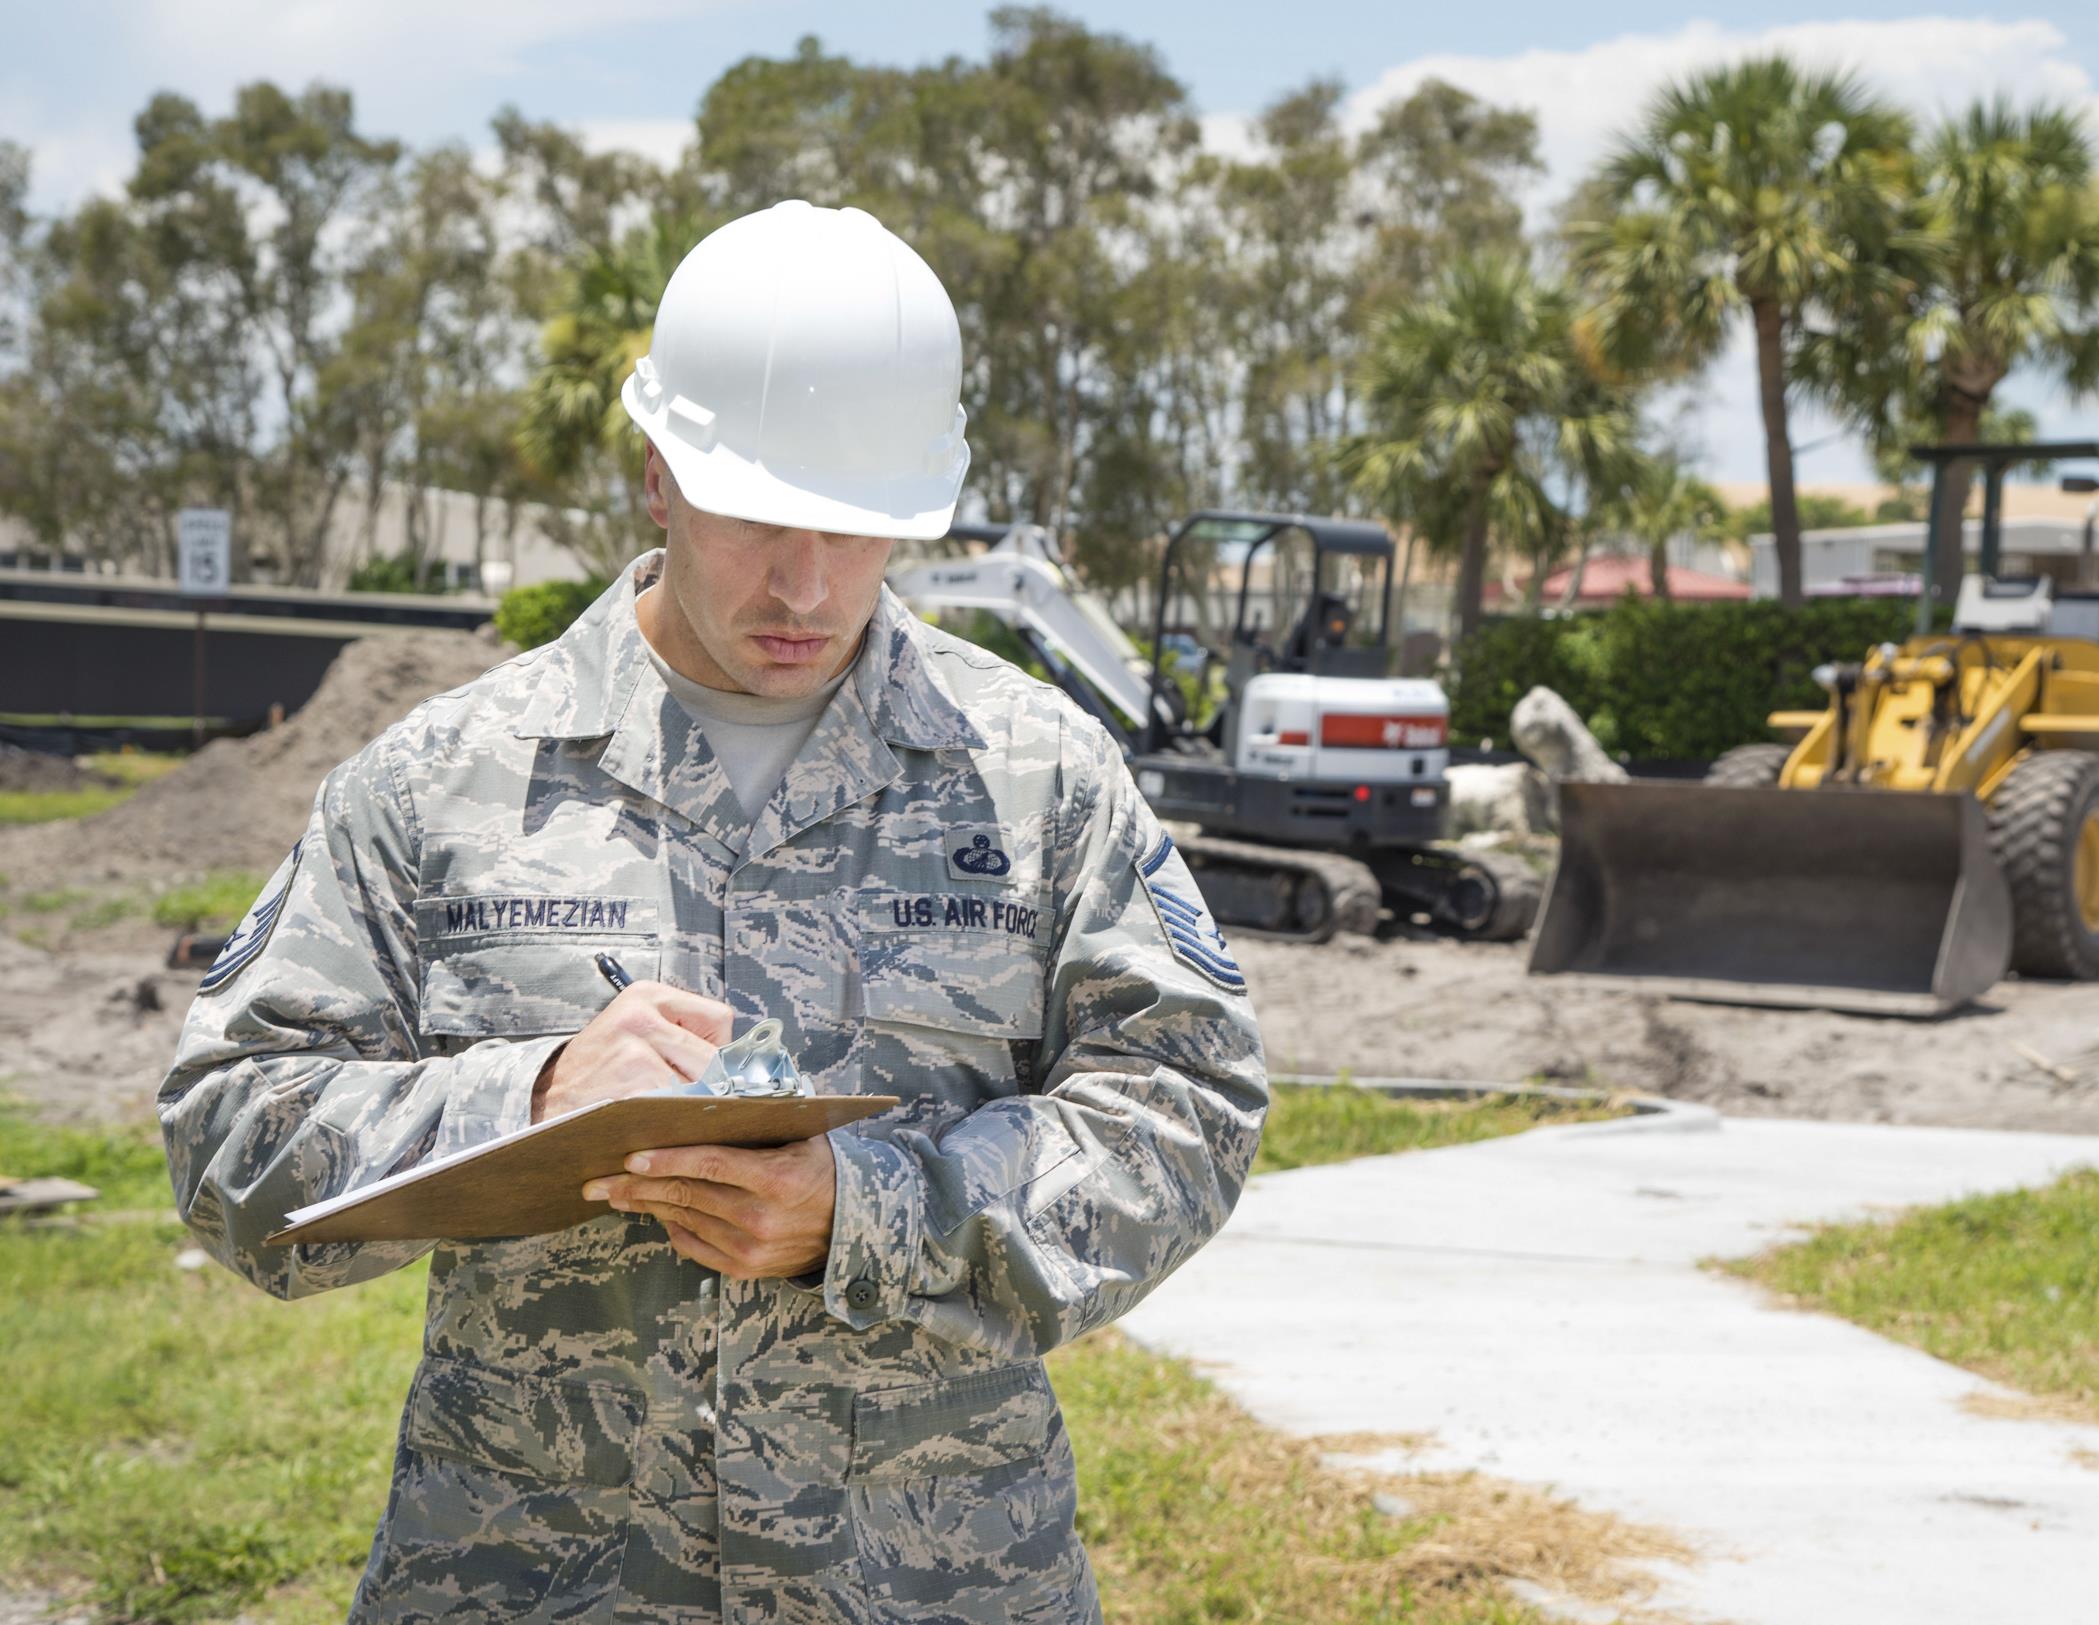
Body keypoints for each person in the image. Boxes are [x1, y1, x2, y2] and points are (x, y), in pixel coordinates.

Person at [158, 200, 1269, 1624]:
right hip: (527, 1579)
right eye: (758, 516)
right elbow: (227, 1135)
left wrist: (877, 1212)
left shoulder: (1041, 777)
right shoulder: (439, 783)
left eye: (860, 530)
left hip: (933, 1582)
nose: (807, 585)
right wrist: (533, 1098)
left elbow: (1189, 1105)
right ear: (658, 476)